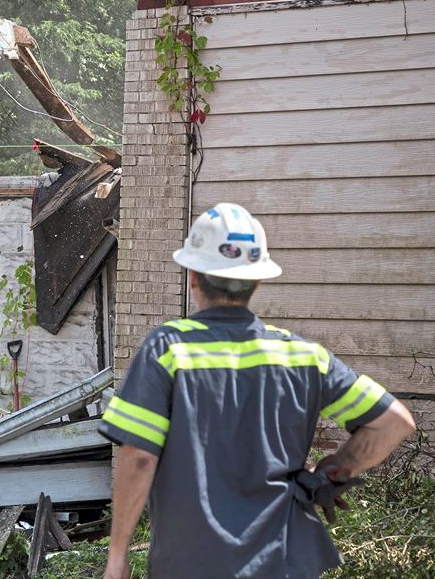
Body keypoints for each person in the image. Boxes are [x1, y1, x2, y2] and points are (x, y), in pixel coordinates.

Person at [99, 203, 416, 579]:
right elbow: (395, 422)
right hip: (282, 565)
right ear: (258, 281)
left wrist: (117, 558)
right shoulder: (304, 356)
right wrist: (333, 469)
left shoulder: (169, 350)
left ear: (193, 276)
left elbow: (138, 458)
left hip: (190, 565)